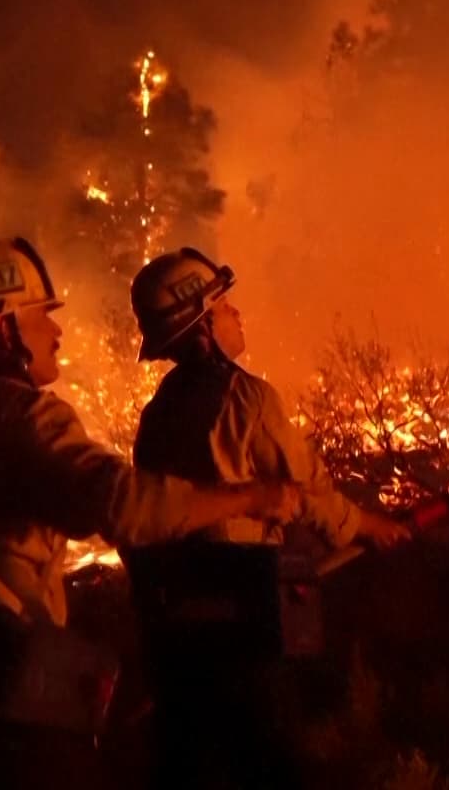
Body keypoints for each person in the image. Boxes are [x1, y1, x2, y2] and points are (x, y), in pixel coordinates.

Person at [0, 236, 302, 786]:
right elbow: (124, 505)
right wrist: (252, 496)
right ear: (4, 327)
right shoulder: (21, 419)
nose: (56, 332)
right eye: (41, 315)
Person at [128, 247, 409, 789]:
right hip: (246, 618)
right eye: (223, 306)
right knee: (270, 761)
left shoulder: (157, 414)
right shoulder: (247, 398)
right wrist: (370, 527)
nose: (236, 313)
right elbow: (306, 491)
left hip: (179, 635)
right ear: (202, 327)